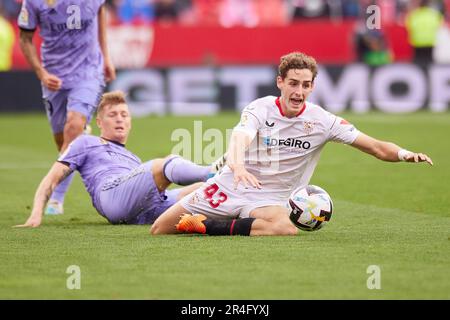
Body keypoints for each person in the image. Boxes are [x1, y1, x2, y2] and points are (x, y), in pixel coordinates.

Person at [150, 51, 434, 237]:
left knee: (287, 228)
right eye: (293, 83)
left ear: (312, 87)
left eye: (306, 85)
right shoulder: (259, 108)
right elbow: (241, 137)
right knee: (161, 229)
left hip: (270, 199)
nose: (299, 91)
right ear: (280, 83)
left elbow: (375, 147)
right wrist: (236, 165)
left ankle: (208, 226)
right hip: (229, 185)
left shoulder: (322, 121)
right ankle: (202, 203)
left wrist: (405, 154)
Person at [15, 91, 225, 228]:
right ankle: (212, 170)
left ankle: (236, 196)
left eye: (124, 115)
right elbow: (52, 178)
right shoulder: (85, 142)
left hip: (145, 209)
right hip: (111, 196)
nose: (120, 119)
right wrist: (36, 214)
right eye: (113, 114)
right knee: (166, 162)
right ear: (99, 121)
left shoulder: (131, 157)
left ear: (130, 122)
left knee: (204, 189)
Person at [18, 0, 116, 215]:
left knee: (74, 126)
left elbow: (100, 10)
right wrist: (41, 73)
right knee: (62, 141)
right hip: (54, 75)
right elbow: (25, 38)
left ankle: (55, 197)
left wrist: (106, 56)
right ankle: (80, 135)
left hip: (88, 71)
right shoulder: (34, 3)